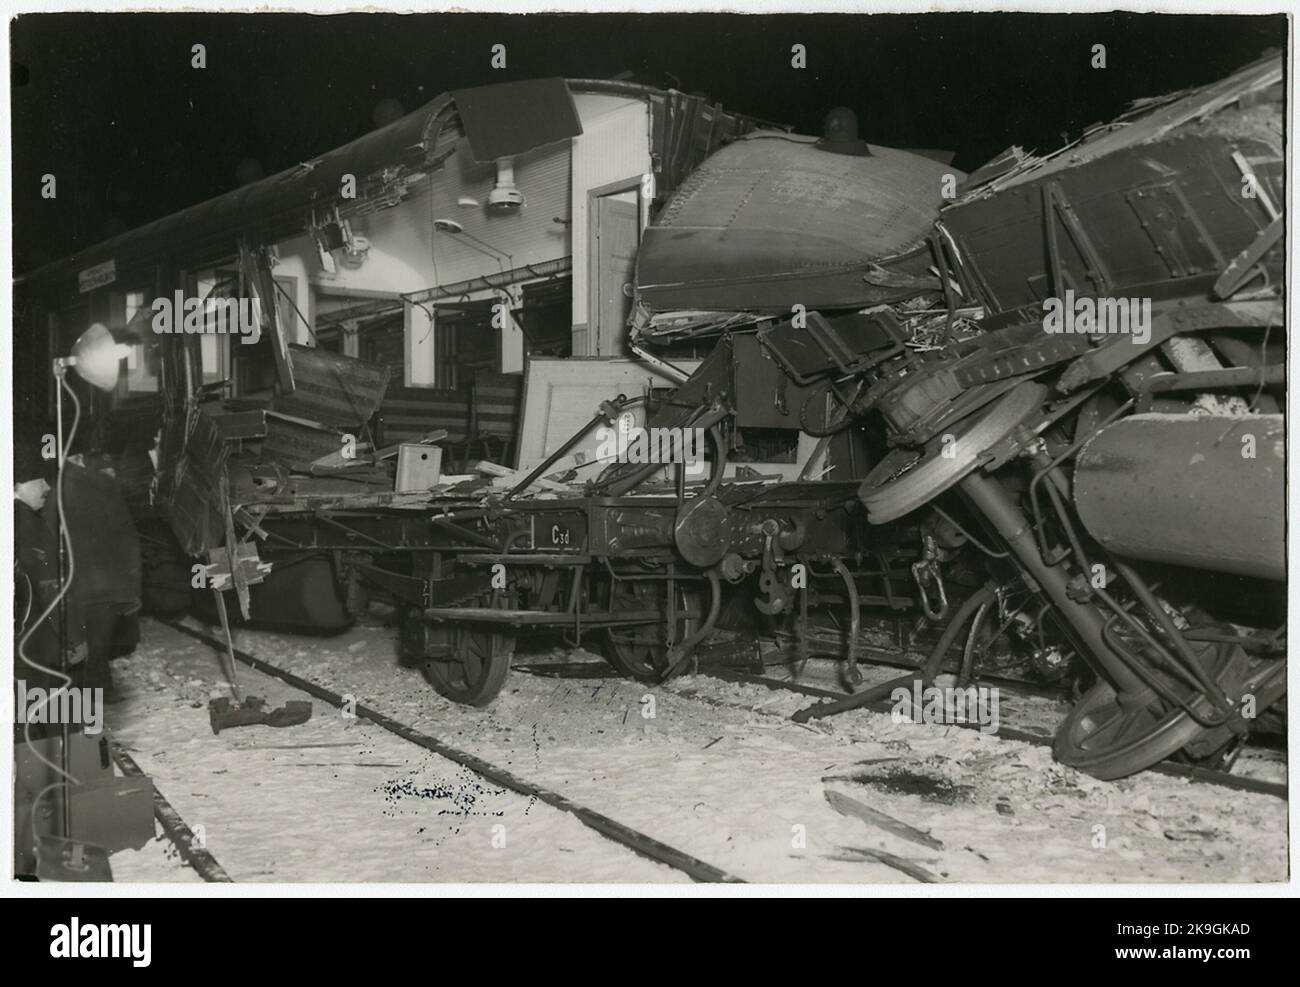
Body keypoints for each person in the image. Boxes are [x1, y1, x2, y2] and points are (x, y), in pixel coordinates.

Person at [51, 451, 143, 703]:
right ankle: (98, 694)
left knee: (83, 646)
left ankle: (85, 698)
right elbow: (128, 539)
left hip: (79, 584)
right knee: (98, 646)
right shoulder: (105, 487)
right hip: (107, 585)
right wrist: (132, 587)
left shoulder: (58, 486)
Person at [13, 436, 84, 703]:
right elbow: (48, 587)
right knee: (49, 714)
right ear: (18, 484)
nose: (46, 487)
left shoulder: (22, 518)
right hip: (36, 645)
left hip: (26, 643)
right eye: (38, 481)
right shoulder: (26, 525)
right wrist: (72, 638)